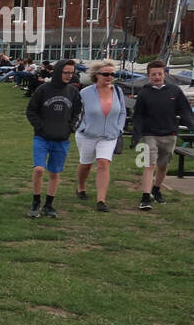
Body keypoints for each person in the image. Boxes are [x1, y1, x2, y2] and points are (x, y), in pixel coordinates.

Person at [130, 58, 194, 210]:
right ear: (148, 76)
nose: (157, 77)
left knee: (163, 166)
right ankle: (145, 198)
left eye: (159, 74)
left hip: (170, 133)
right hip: (150, 134)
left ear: (165, 74)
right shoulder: (144, 93)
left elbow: (185, 111)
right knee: (149, 165)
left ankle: (156, 189)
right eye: (153, 75)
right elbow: (138, 116)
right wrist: (136, 136)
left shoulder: (175, 91)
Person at [25, 59, 83, 218]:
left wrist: (70, 129)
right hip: (42, 138)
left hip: (62, 139)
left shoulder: (73, 92)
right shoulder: (43, 89)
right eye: (66, 72)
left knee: (55, 173)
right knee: (38, 169)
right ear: (58, 72)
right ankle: (35, 202)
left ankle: (49, 205)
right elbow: (31, 111)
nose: (69, 76)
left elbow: (78, 113)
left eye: (72, 73)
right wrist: (40, 127)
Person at [74, 60, 127, 212]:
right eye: (106, 74)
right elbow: (78, 113)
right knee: (86, 164)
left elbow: (122, 111)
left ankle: (101, 200)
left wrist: (119, 128)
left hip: (110, 135)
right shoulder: (85, 92)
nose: (109, 77)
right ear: (96, 75)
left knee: (104, 163)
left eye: (112, 74)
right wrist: (83, 127)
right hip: (87, 135)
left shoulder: (118, 91)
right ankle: (81, 188)